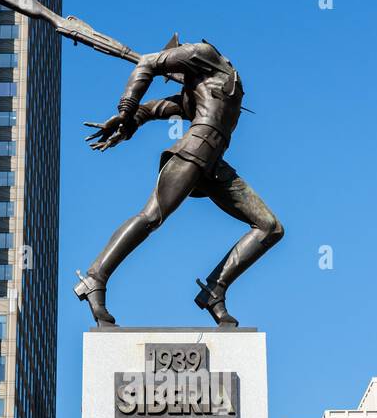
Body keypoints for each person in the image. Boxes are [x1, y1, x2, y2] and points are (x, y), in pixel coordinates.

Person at [75, 40, 284, 327]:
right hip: (193, 152)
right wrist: (126, 115)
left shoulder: (210, 67)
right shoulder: (200, 64)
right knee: (151, 217)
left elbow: (154, 104)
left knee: (270, 227)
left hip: (213, 164)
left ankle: (215, 290)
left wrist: (136, 116)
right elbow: (148, 67)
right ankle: (95, 278)